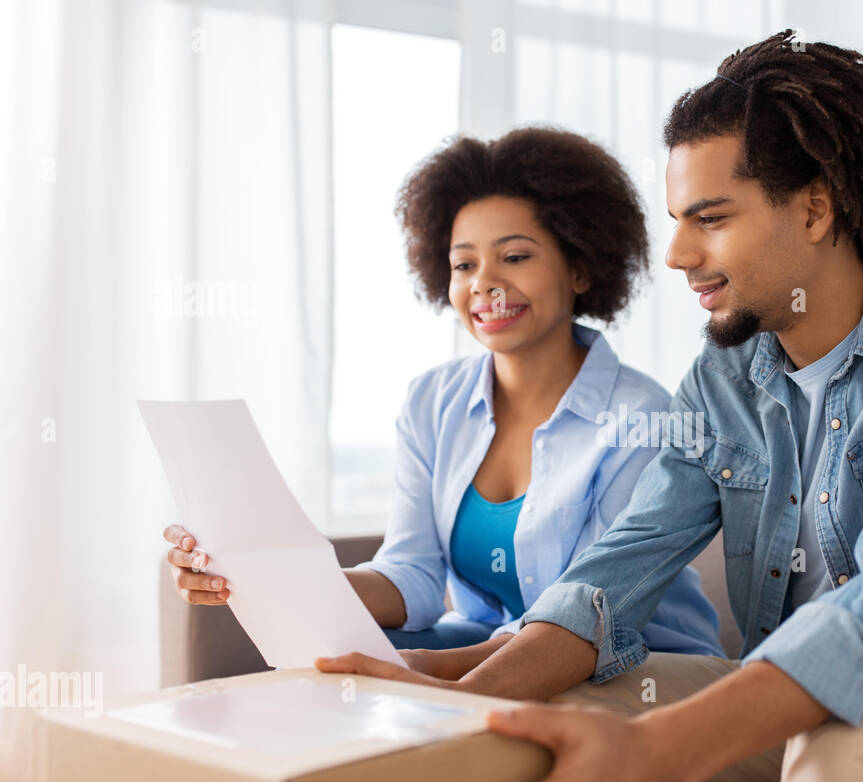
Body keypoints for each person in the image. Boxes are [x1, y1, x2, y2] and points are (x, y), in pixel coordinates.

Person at [331, 29, 863, 782]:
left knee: (850, 753)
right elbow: (611, 578)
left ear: (816, 207)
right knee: (545, 716)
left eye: (711, 219)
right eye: (678, 221)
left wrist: (656, 753)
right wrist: (454, 698)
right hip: (783, 702)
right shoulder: (722, 383)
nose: (680, 255)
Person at [163, 126, 722, 682]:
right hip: (491, 643)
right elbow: (413, 575)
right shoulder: (433, 401)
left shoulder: (640, 418)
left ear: (579, 266)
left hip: (629, 663)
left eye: (516, 256)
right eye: (464, 264)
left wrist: (430, 669)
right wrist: (262, 576)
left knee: (383, 676)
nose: (486, 284)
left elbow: (589, 618)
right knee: (331, 663)